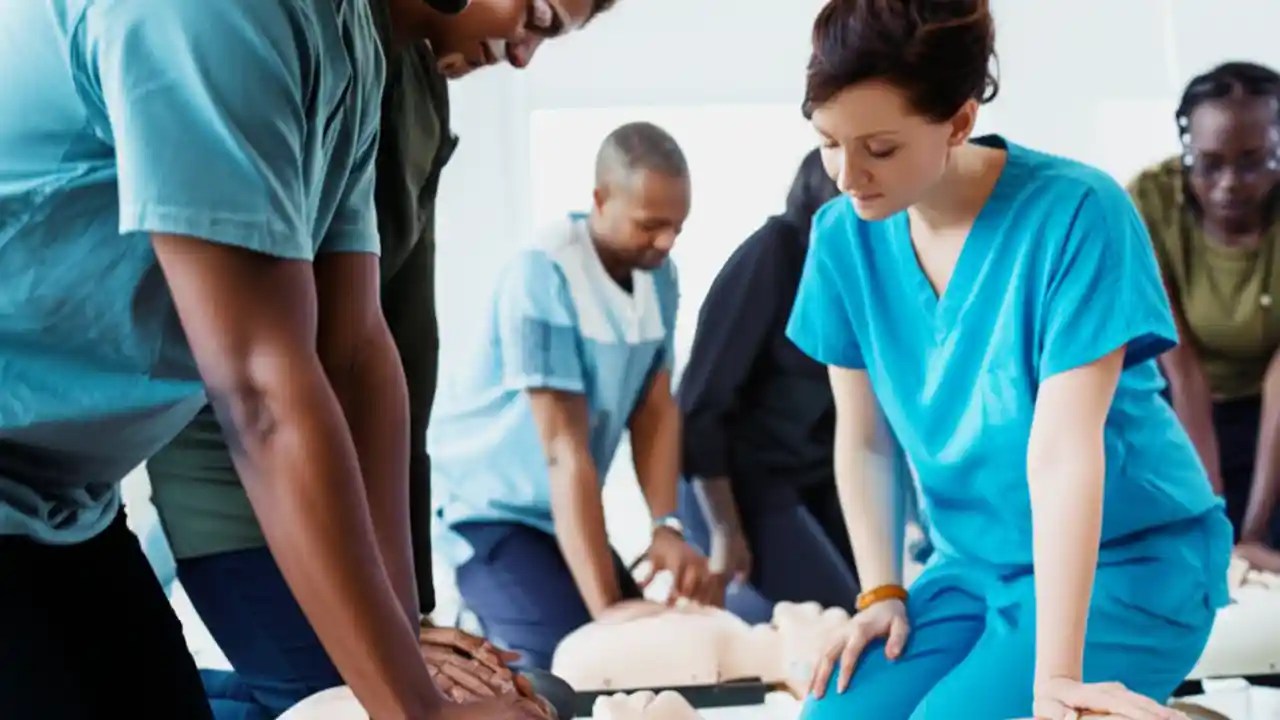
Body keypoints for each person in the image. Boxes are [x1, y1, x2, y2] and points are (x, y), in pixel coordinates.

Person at [0, 0, 546, 718]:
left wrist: (408, 649)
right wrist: (422, 714)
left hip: (64, 496)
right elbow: (261, 392)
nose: (523, 42)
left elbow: (354, 353)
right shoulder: (209, 12)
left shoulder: (346, 38)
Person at [140, 0, 618, 718]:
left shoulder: (393, 77)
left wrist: (409, 615)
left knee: (507, 694)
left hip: (320, 459)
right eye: (538, 16)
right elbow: (265, 383)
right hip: (235, 463)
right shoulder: (259, 30)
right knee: (341, 704)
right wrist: (407, 685)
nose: (522, 54)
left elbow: (383, 351)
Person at [785, 2, 1232, 719]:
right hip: (971, 568)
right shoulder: (842, 239)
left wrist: (1056, 681)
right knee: (833, 715)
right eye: (827, 143)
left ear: (959, 122)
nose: (846, 176)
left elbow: (1062, 452)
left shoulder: (1078, 212)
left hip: (1128, 562)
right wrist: (880, 591)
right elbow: (865, 437)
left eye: (880, 148)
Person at [430, 122, 717, 671]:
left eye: (677, 228)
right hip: (491, 513)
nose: (666, 242)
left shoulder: (660, 276)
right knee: (570, 661)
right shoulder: (543, 273)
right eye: (650, 225)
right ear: (600, 200)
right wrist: (608, 610)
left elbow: (655, 411)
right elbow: (564, 450)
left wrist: (667, 526)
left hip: (563, 514)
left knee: (648, 657)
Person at [674, 149, 865, 624]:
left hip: (813, 472)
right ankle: (710, 611)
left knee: (869, 605)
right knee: (833, 613)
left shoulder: (862, 272)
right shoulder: (772, 256)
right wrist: (726, 531)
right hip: (732, 479)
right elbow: (700, 406)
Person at [1128, 62, 1280, 560]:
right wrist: (1213, 518)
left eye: (1254, 161)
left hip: (1268, 409)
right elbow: (1181, 364)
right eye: (1210, 164)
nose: (1230, 184)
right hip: (1180, 401)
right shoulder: (1151, 201)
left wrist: (1254, 533)